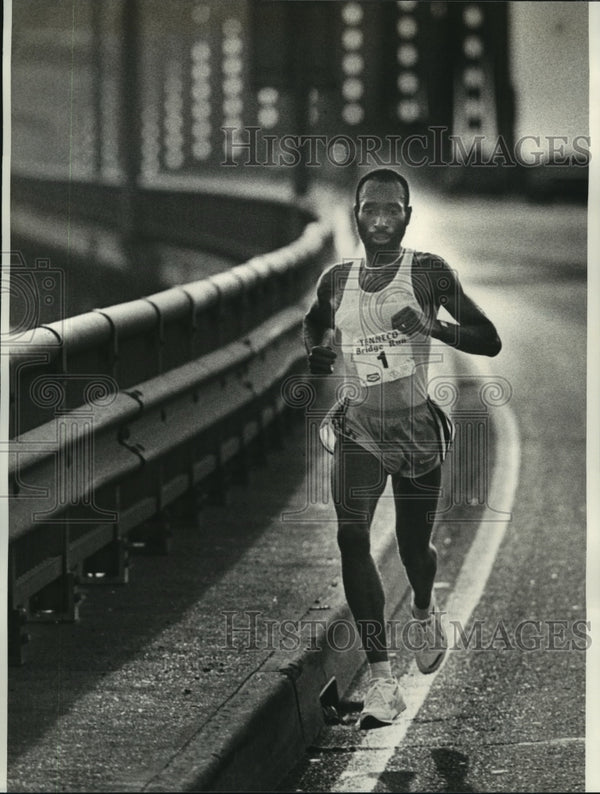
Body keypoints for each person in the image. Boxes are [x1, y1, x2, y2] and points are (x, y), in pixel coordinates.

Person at [303, 168, 501, 728]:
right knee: (350, 535)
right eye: (371, 209)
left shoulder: (430, 273)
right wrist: (318, 355)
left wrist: (435, 327)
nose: (381, 219)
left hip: (416, 428)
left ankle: (423, 606)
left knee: (416, 550)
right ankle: (383, 682)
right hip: (359, 428)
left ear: (408, 216)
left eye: (393, 210)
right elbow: (315, 325)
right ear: (356, 215)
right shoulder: (336, 280)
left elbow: (490, 338)